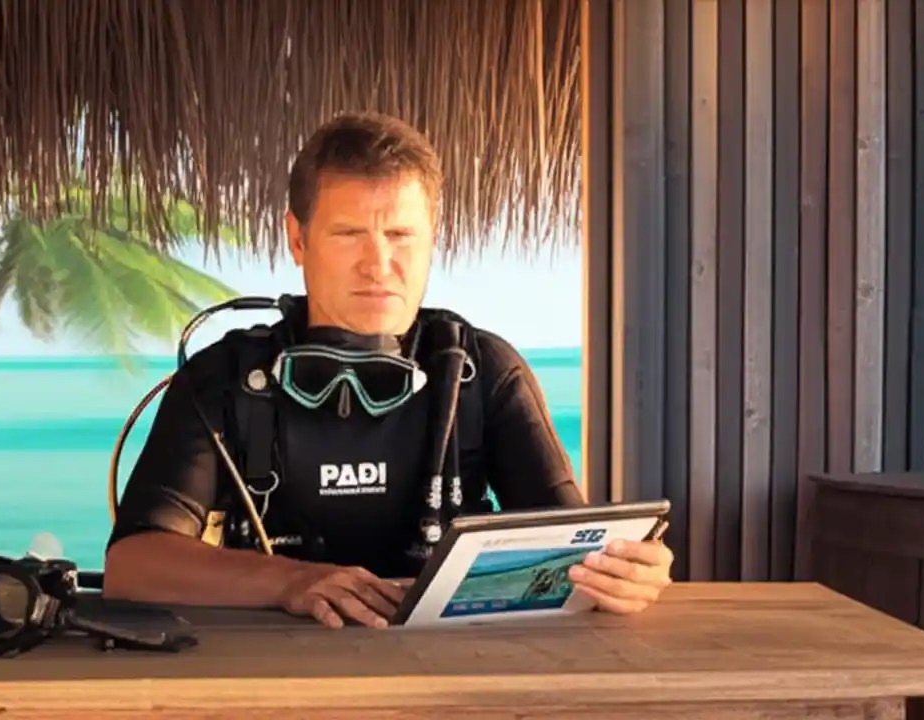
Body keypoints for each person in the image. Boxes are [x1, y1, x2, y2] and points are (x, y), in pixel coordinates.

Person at [103, 112, 673, 628]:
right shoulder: (224, 377)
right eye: (349, 234)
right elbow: (134, 564)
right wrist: (293, 581)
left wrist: (624, 571)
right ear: (297, 239)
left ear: (432, 240)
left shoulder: (483, 372)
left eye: (401, 235)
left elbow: (571, 546)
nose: (379, 264)